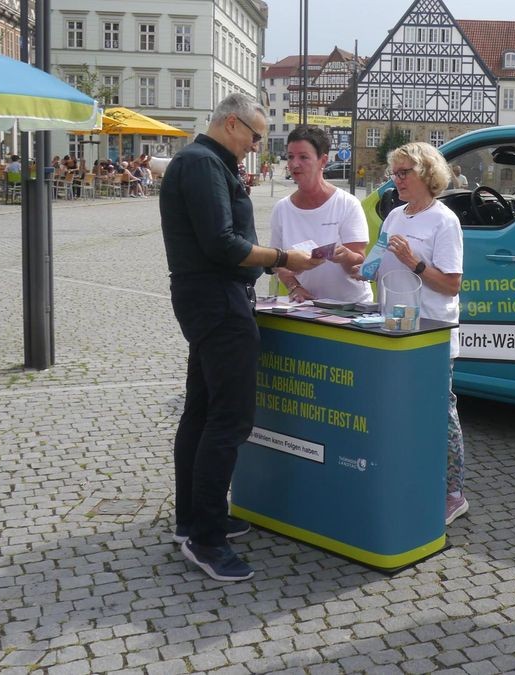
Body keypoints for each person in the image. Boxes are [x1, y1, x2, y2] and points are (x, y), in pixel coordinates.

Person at [159, 93, 321, 582]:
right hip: (219, 303)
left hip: (207, 300)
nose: (255, 145)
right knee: (228, 421)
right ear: (231, 124)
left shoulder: (199, 162)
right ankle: (205, 539)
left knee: (202, 412)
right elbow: (222, 244)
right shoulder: (204, 164)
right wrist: (282, 258)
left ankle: (193, 519)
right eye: (253, 135)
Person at [354, 142, 468, 525]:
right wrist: (354, 264)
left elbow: (451, 285)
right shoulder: (394, 217)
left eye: (405, 173)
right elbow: (372, 264)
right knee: (399, 409)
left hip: (430, 331)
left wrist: (414, 263)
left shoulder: (444, 220)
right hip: (393, 329)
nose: (396, 180)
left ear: (427, 175)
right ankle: (410, 479)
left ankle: (453, 493)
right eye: (394, 173)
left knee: (440, 412)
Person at [271, 126, 372, 304]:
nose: (295, 164)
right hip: (306, 307)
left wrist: (346, 256)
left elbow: (358, 263)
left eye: (303, 157)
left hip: (348, 307)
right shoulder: (282, 209)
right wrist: (294, 287)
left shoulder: (347, 204)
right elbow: (279, 263)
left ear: (323, 161)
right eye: (290, 156)